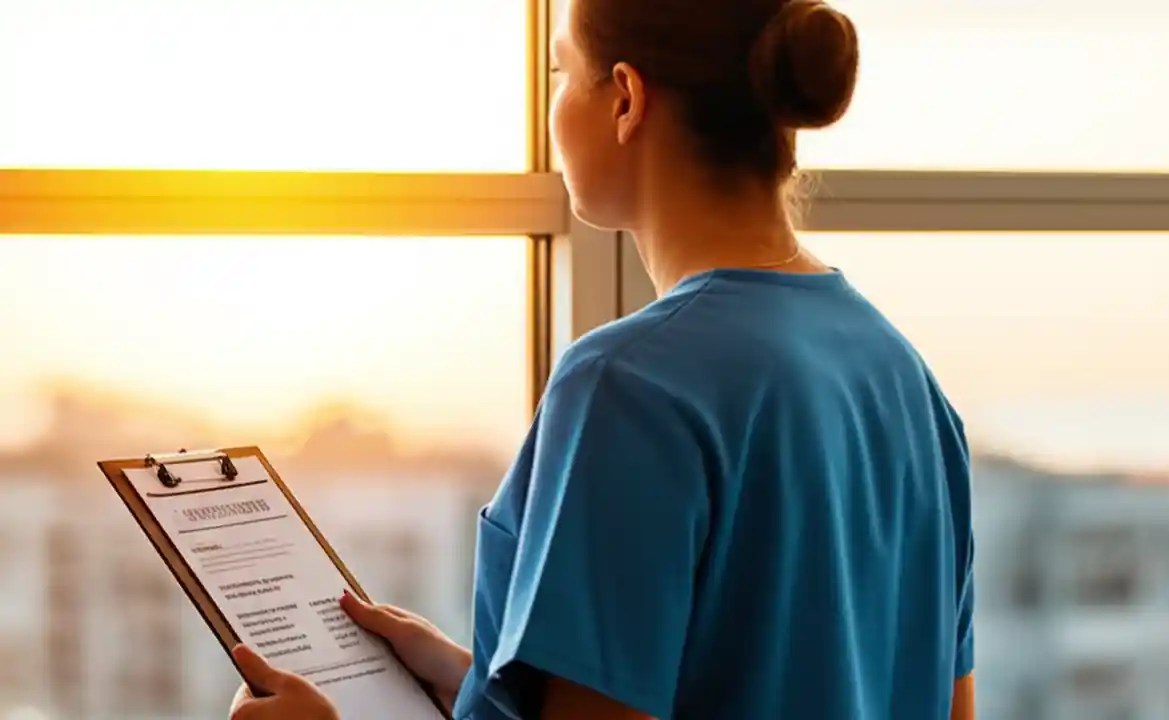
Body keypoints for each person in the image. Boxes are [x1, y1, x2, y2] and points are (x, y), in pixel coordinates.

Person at [228, 0, 976, 718]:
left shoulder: (630, 386)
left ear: (625, 99)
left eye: (560, 73)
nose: (552, 109)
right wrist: (477, 684)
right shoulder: (905, 380)